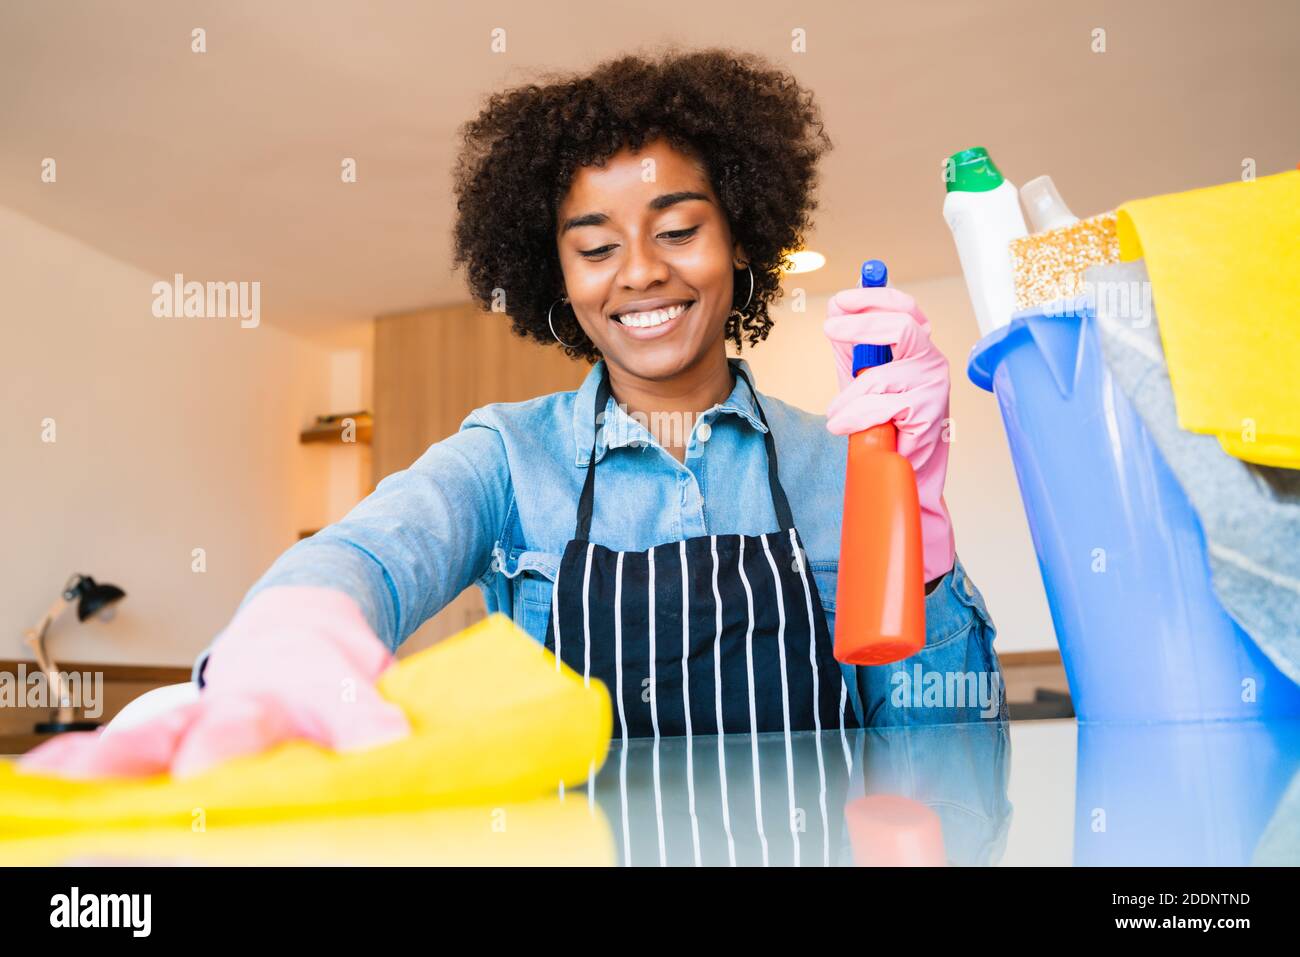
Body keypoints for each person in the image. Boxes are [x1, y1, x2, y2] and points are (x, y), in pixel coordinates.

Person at [20, 47, 1005, 781]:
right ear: (557, 279)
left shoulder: (839, 463)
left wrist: (915, 528)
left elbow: (947, 767)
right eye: (595, 246)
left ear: (738, 241)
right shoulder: (505, 456)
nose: (643, 272)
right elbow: (369, 551)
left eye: (677, 229)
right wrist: (293, 632)